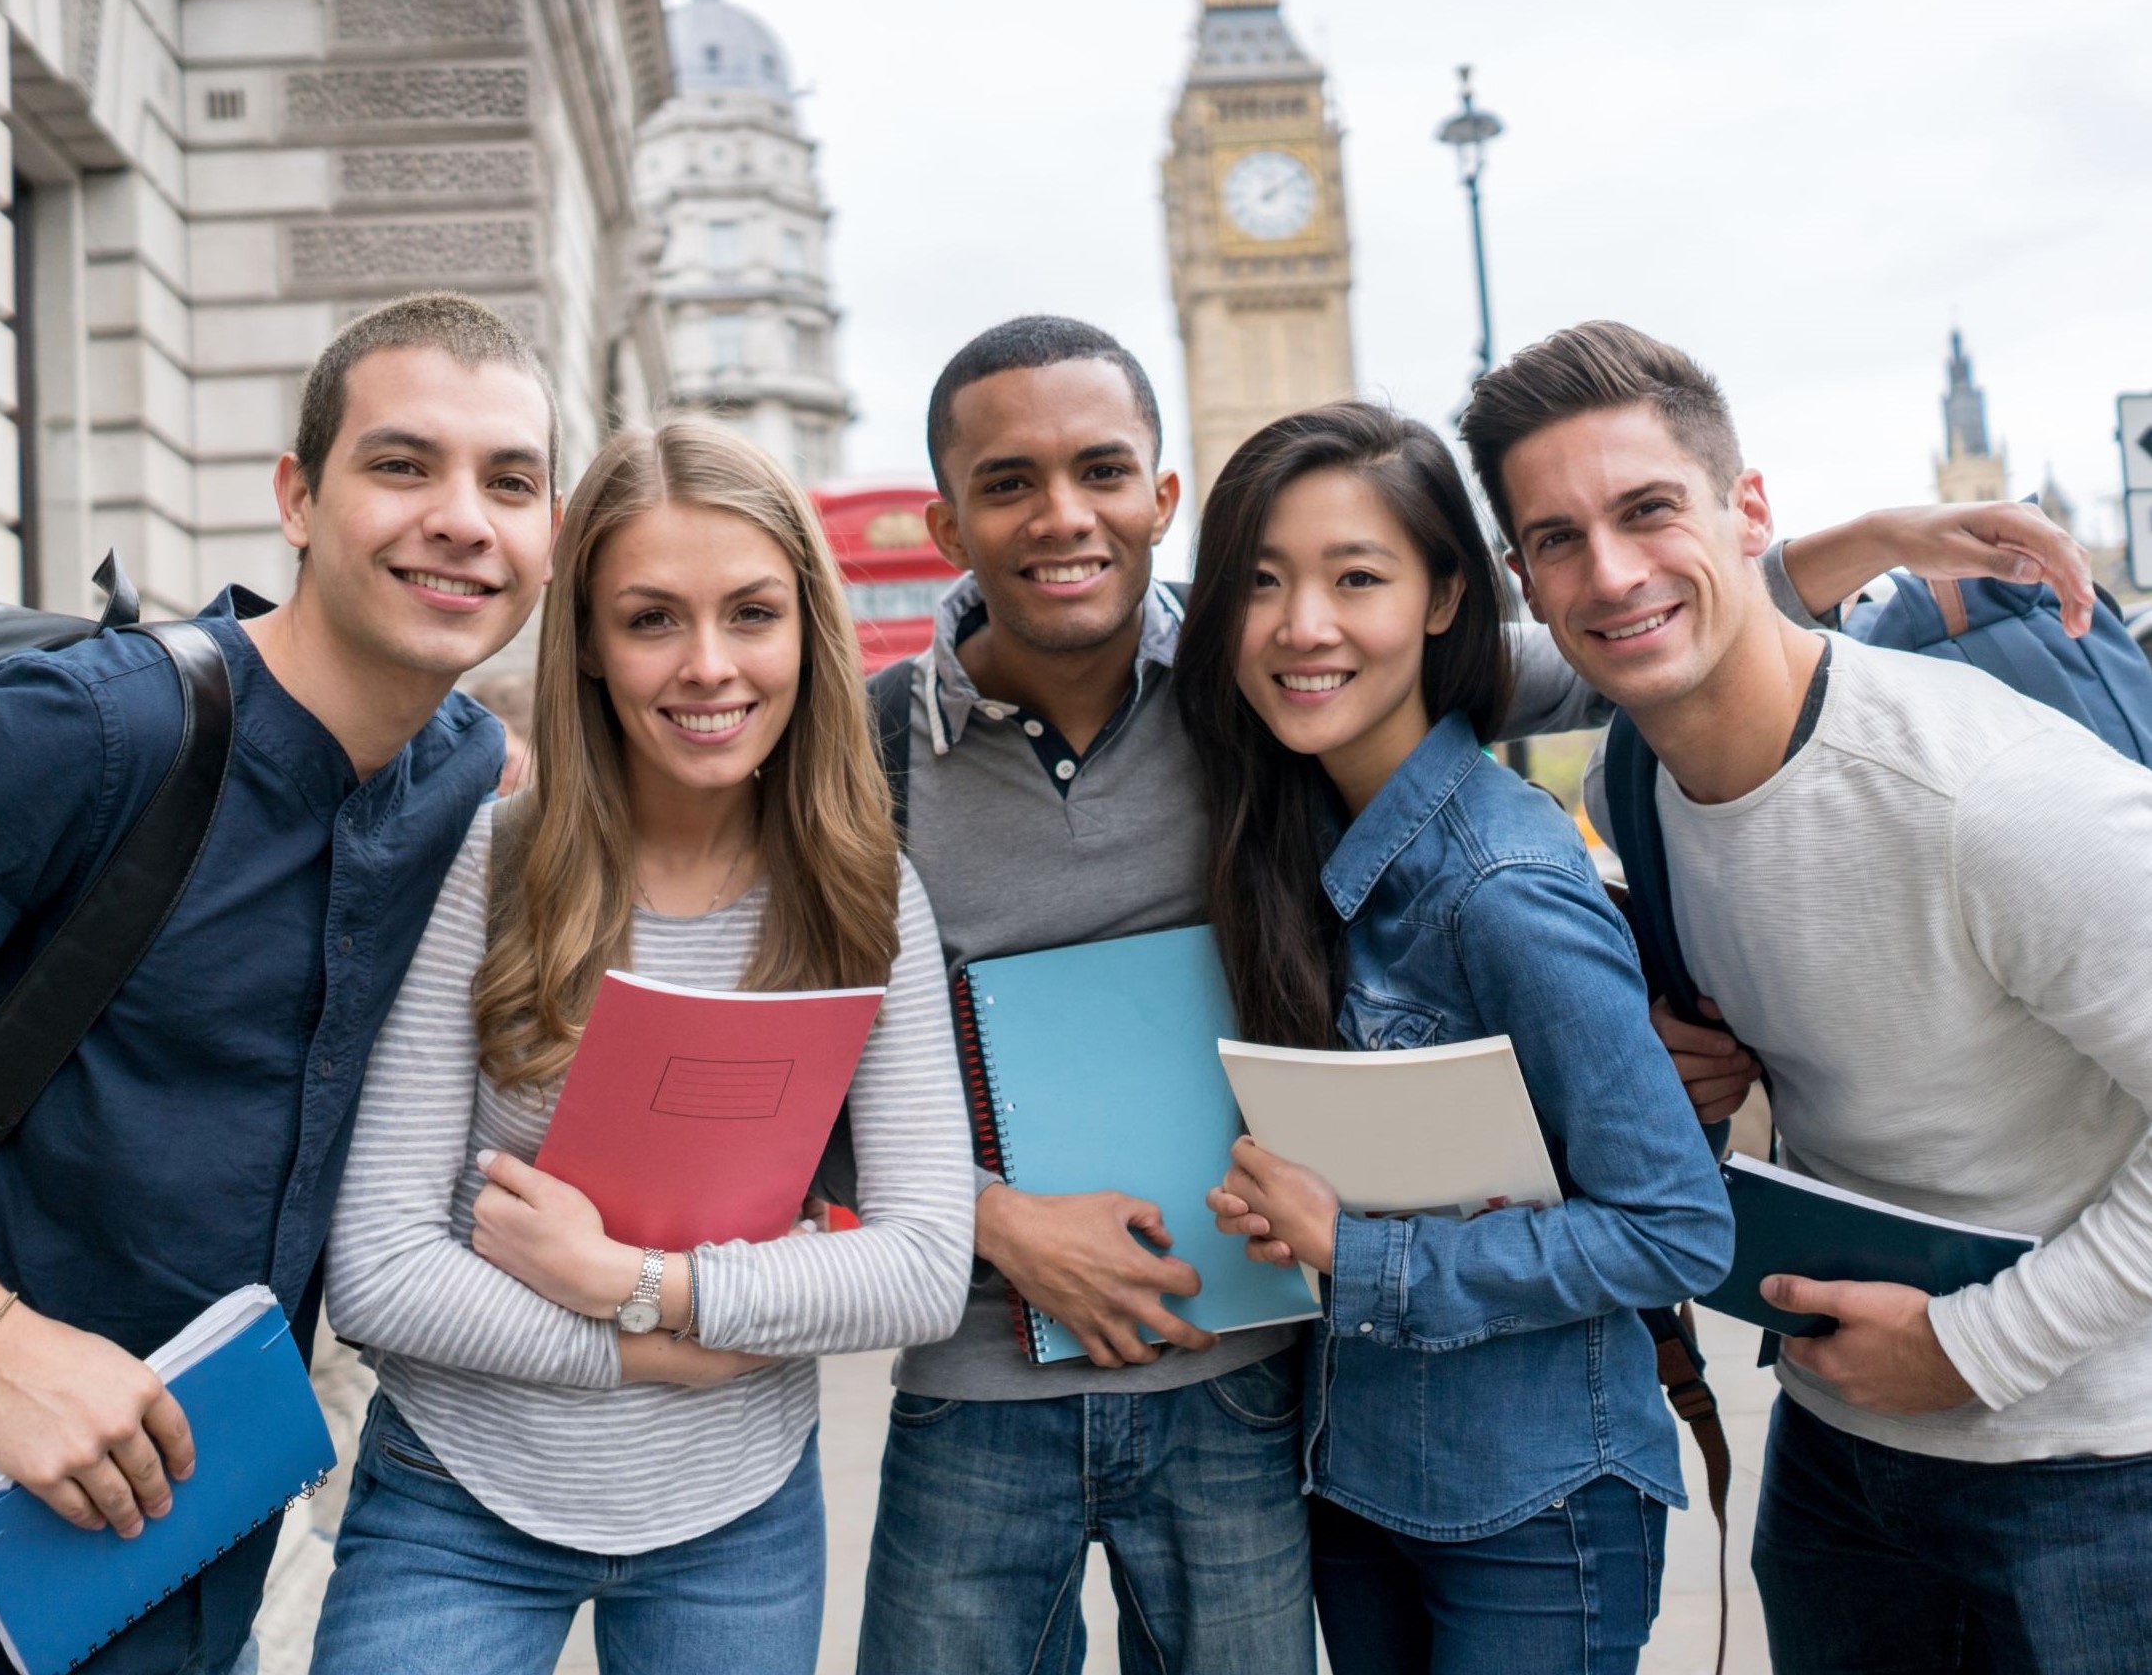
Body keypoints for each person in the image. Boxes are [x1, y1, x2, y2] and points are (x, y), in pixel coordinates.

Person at [851, 315, 2095, 1675]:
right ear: (944, 520)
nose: (1305, 627)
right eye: (1009, 484)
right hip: (1211, 1428)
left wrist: (1866, 542)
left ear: (1159, 499)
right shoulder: (942, 753)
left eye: (1101, 471)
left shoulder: (1335, 766)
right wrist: (993, 1219)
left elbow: (1628, 626)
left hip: (1367, 1433)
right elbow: (808, 1071)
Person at [0, 293, 557, 1674]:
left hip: (199, 1581)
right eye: (402, 464)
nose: (462, 518)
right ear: (299, 499)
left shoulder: (463, 781)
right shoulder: (90, 730)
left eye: (512, 482)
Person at [1462, 319, 2152, 1673]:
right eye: (1556, 540)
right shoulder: (1631, 787)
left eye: (1649, 510)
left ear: (1750, 514)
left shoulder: (1995, 798)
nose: (1609, 572)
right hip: (1842, 1457)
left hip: (2098, 1472)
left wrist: (1977, 1348)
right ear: (1524, 579)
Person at [306, 419, 974, 1675]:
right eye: (652, 618)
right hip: (459, 1496)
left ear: (807, 634)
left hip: (736, 1516)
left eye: (751, 614)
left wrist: (634, 1282)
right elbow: (381, 1274)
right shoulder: (486, 869)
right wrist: (662, 1346)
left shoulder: (865, 894)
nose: (708, 667)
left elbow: (926, 1266)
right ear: (592, 649)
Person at [1183, 401, 1735, 1673]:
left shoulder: (1500, 884)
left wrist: (1357, 1254)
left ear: (1443, 599)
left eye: (1354, 578)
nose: (1300, 626)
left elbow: (1673, 1227)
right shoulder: (1293, 844)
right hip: (1354, 1482)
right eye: (1260, 584)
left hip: (1534, 1509)